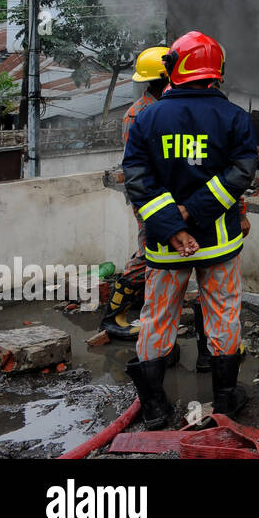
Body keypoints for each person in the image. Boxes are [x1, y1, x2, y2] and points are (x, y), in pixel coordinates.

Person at [121, 31, 258, 429]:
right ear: (218, 71)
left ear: (173, 68)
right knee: (223, 317)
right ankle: (227, 399)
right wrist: (195, 213)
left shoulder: (146, 118)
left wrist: (172, 225)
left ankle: (155, 409)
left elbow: (137, 179)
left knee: (157, 319)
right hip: (218, 243)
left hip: (165, 248)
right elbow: (240, 175)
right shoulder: (235, 118)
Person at [100, 47, 168, 340]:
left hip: (154, 192)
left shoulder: (151, 108)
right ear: (165, 78)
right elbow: (142, 164)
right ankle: (111, 317)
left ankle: (130, 308)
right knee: (146, 253)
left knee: (149, 249)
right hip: (149, 194)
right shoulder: (141, 113)